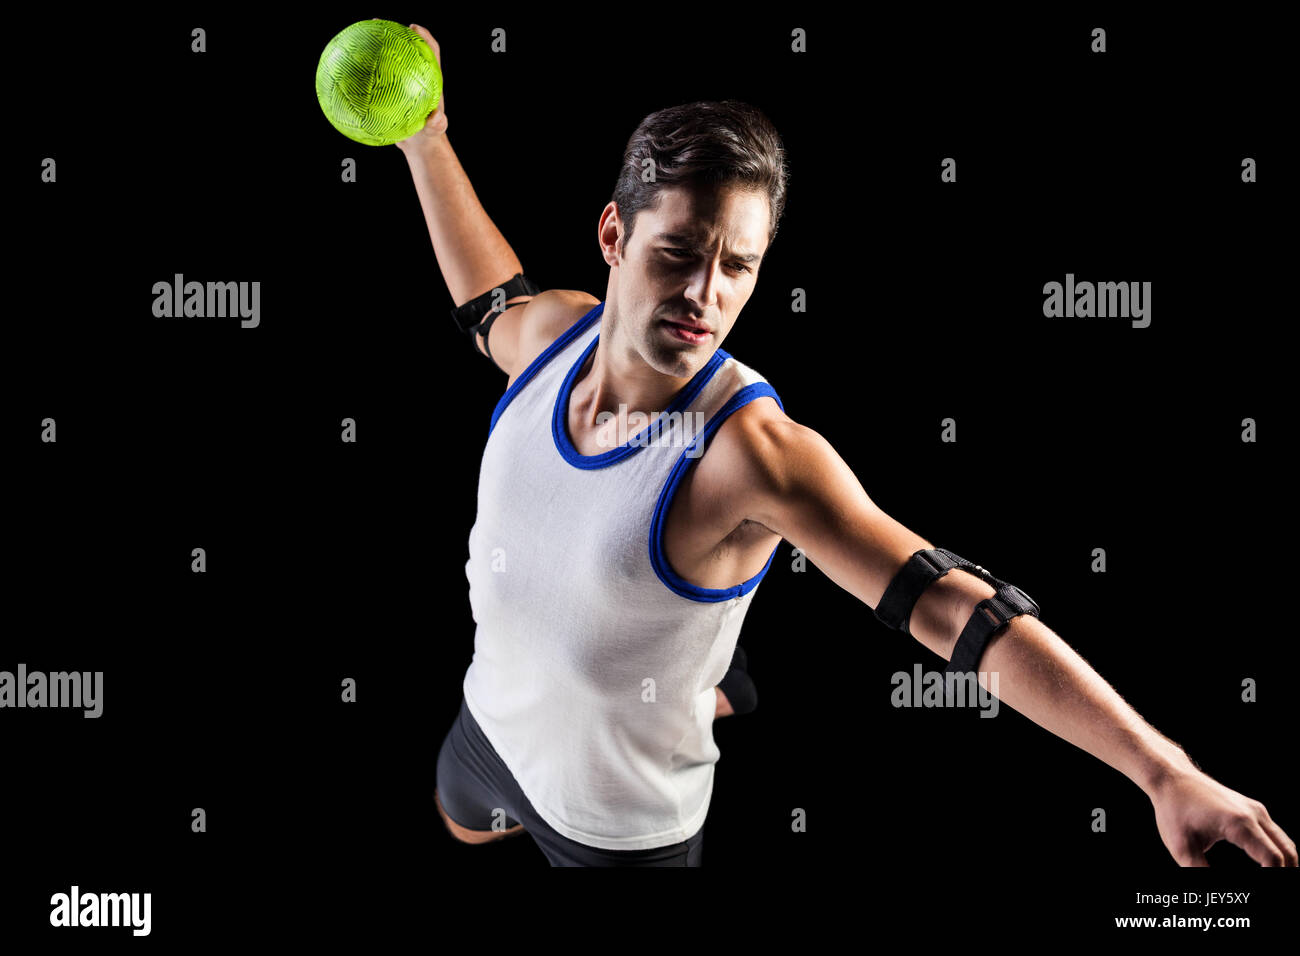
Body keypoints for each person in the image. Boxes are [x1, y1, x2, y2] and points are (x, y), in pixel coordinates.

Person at [396, 24, 1297, 868]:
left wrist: (1161, 771)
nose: (706, 295)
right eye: (678, 252)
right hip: (489, 731)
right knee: (459, 824)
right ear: (613, 236)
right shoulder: (554, 335)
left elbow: (951, 606)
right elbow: (488, 301)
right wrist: (426, 142)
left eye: (737, 266)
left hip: (617, 822)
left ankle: (702, 682)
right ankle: (719, 674)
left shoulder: (754, 455)